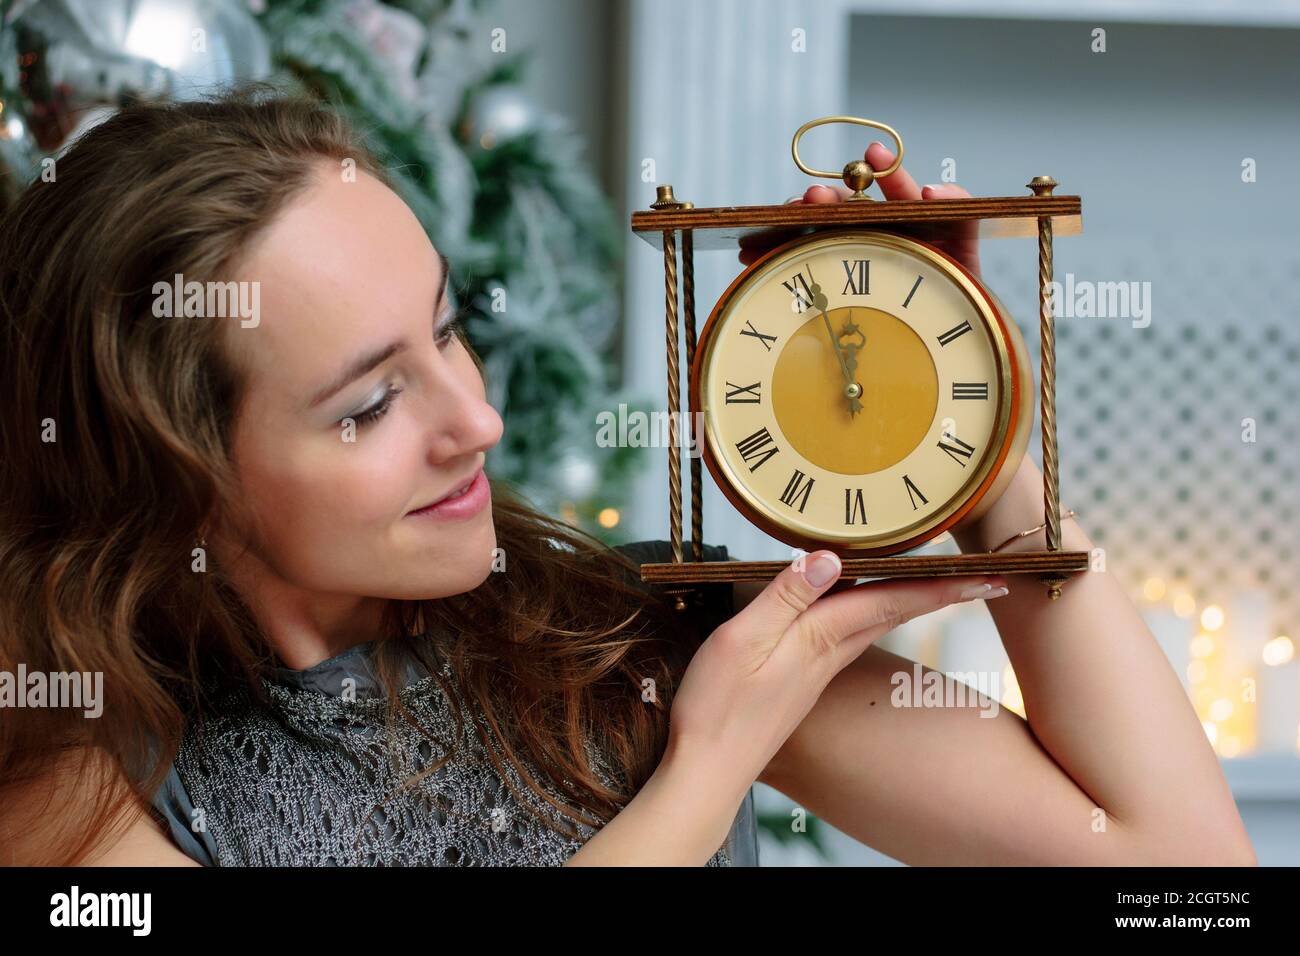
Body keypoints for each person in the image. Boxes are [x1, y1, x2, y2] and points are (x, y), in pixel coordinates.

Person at [0, 87, 1254, 866]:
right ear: (176, 476)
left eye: (448, 327)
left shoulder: (629, 630)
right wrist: (700, 774)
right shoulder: (83, 780)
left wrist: (972, 422)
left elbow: (1178, 875)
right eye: (372, 402)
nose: (477, 418)